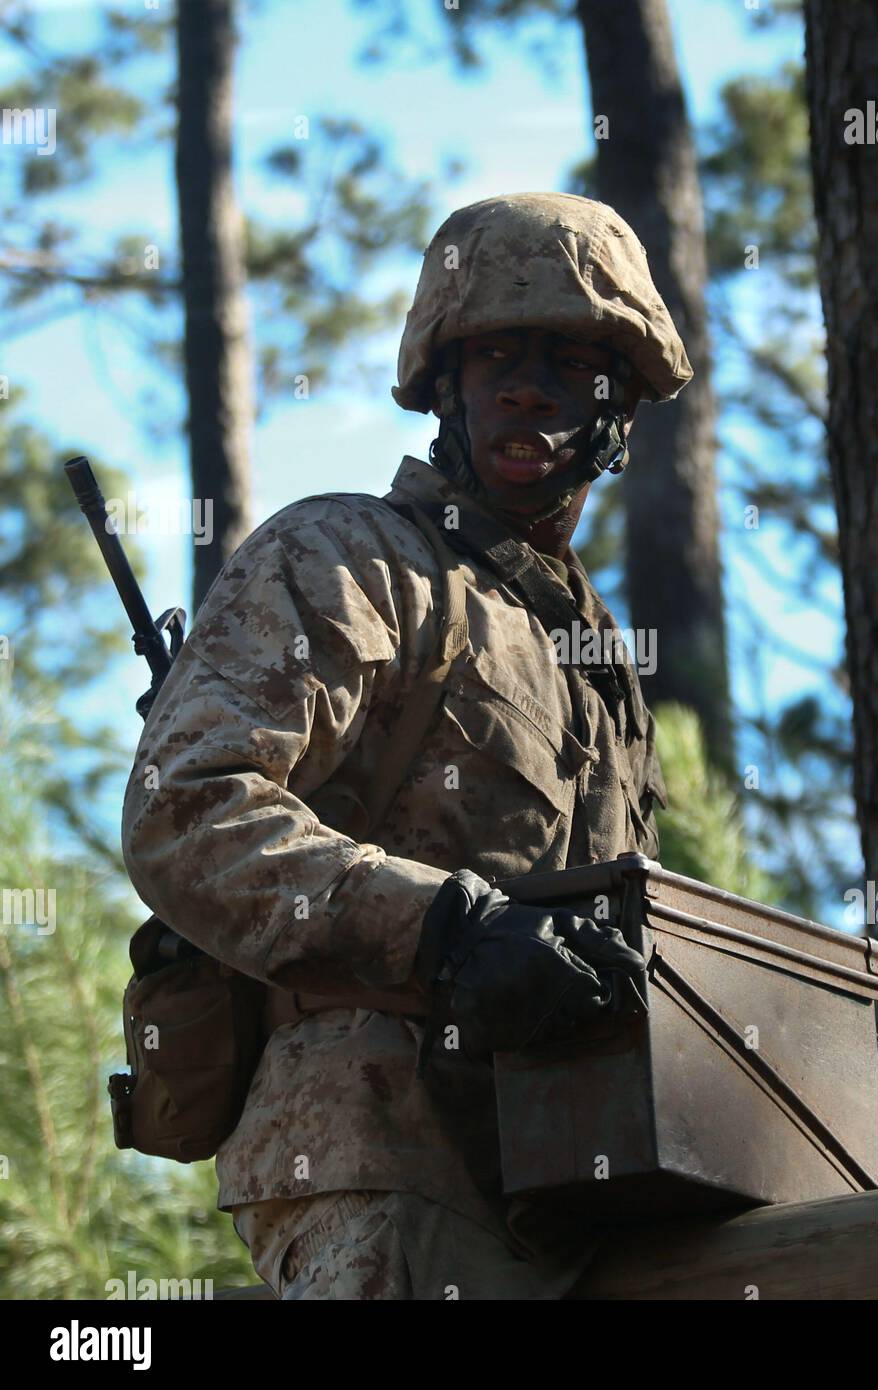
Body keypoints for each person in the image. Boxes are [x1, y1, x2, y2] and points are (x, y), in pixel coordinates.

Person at [121, 191, 690, 1300]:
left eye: (571, 362)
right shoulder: (352, 559)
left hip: (587, 1195)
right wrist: (446, 929)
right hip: (384, 1164)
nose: (529, 385)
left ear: (619, 403)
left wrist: (783, 1043)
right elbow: (188, 806)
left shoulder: (592, 651)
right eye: (495, 357)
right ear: (445, 388)